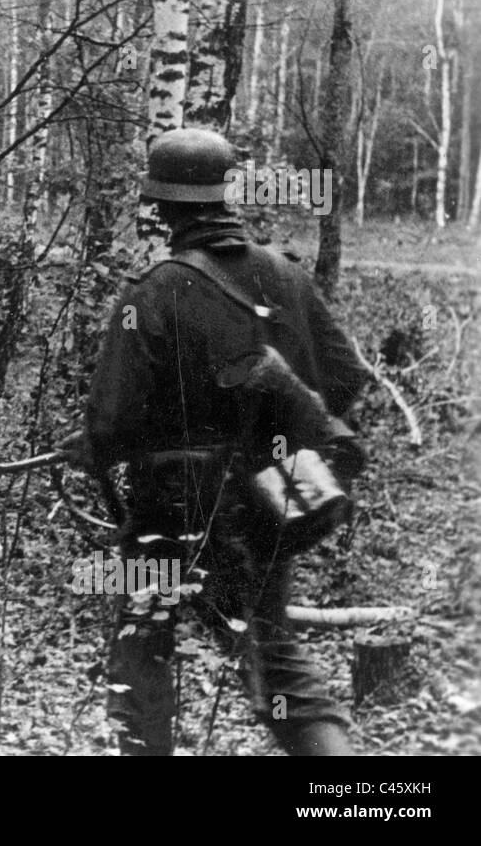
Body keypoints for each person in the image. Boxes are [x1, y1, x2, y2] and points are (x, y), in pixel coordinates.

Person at [68, 128, 370, 756]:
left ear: (164, 206)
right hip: (271, 496)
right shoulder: (287, 277)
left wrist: (95, 447)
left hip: (171, 510)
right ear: (227, 195)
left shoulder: (151, 292)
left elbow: (110, 425)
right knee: (276, 660)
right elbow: (345, 377)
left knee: (143, 650)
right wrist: (275, 440)